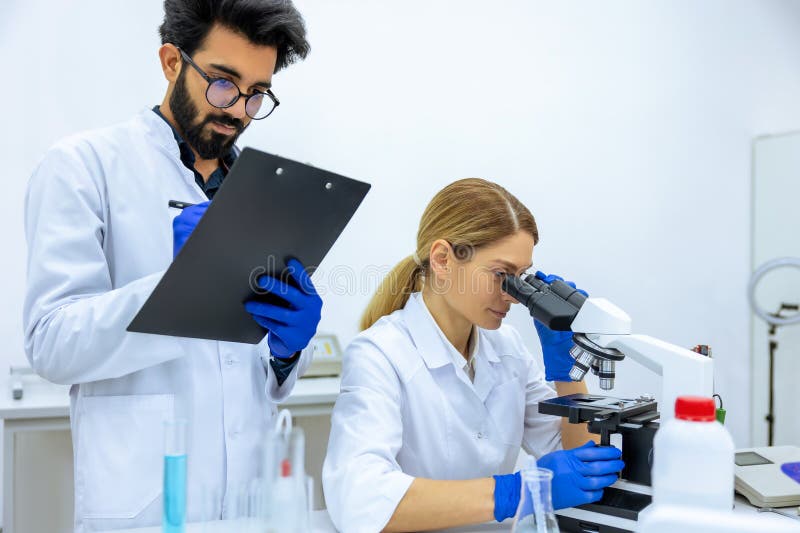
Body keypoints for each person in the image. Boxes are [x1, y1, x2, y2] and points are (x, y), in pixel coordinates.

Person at [22, 1, 320, 531]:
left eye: (257, 94)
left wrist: (286, 352)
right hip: (143, 505)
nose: (237, 111)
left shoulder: (260, 191)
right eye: (224, 83)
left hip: (248, 506)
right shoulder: (84, 167)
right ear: (170, 62)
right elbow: (50, 343)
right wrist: (175, 286)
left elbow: (242, 373)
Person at [323, 178, 624, 532]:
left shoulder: (507, 349)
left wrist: (568, 376)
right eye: (501, 274)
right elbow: (359, 501)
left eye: (520, 277)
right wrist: (514, 492)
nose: (513, 295)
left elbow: (581, 467)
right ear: (442, 260)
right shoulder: (379, 354)